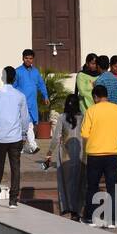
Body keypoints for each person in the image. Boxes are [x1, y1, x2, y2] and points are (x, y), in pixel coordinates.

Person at [80, 85, 117, 227]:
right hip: (113, 154)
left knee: (92, 186)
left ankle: (90, 218)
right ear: (106, 95)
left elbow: (84, 133)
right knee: (112, 187)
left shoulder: (91, 110)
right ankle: (112, 219)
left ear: (95, 97)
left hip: (95, 154)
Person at [0, 65, 31, 208]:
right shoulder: (20, 96)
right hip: (15, 137)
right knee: (15, 167)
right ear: (15, 78)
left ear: (2, 78)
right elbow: (25, 118)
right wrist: (25, 134)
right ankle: (13, 199)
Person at [48, 92, 84, 220]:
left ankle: (67, 206)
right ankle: (77, 210)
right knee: (79, 182)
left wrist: (49, 153)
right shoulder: (83, 117)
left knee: (66, 182)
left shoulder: (62, 117)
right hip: (81, 153)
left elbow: (56, 137)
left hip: (65, 154)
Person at [13, 49, 49, 150]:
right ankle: (33, 146)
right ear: (22, 58)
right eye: (26, 58)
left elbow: (41, 84)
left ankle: (21, 147)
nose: (28, 60)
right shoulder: (18, 71)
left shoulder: (36, 72)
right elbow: (13, 86)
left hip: (32, 103)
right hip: (21, 103)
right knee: (27, 124)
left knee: (30, 124)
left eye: (30, 58)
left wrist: (45, 96)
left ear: (33, 59)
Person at [75, 54, 99, 120]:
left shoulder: (100, 74)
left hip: (98, 105)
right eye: (92, 63)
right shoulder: (81, 75)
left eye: (96, 64)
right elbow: (82, 91)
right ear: (87, 63)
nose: (95, 66)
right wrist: (92, 85)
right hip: (84, 105)